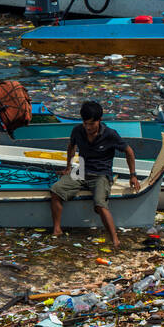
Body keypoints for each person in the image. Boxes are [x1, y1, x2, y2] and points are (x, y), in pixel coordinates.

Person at [49, 100, 139, 250]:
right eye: (85, 124)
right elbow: (71, 146)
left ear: (99, 120)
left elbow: (129, 151)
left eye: (92, 124)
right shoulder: (77, 130)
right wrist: (68, 167)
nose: (88, 127)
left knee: (99, 204)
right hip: (82, 170)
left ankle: (115, 240)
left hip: (101, 174)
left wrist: (133, 175)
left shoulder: (110, 134)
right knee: (55, 190)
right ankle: (57, 229)